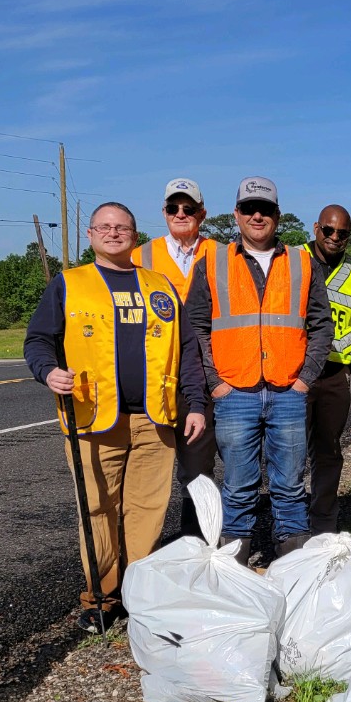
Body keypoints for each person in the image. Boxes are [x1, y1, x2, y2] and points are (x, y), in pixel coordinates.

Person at [24, 202, 207, 632]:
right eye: (104, 227)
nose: (113, 233)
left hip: (155, 419)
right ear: (90, 235)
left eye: (122, 227)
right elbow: (38, 341)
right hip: (93, 419)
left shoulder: (159, 287)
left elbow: (186, 353)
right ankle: (100, 597)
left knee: (147, 510)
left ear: (135, 235)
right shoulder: (69, 284)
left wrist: (195, 403)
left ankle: (137, 593)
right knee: (98, 509)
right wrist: (48, 371)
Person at [184, 177, 332, 562]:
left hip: (288, 391)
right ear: (236, 215)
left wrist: (304, 380)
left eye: (265, 209)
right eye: (249, 208)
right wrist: (216, 382)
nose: (257, 215)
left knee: (290, 485)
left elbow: (321, 325)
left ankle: (293, 565)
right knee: (238, 485)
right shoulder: (213, 262)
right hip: (235, 392)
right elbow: (196, 326)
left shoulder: (303, 261)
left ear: (277, 215)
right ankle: (235, 567)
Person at [134, 178, 219, 537]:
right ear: (164, 213)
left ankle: (196, 543)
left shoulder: (222, 253)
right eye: (173, 208)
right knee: (146, 472)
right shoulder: (141, 256)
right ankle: (141, 553)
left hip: (202, 376)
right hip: (155, 376)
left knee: (197, 470)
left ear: (202, 213)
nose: (180, 214)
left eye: (188, 208)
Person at [301, 204, 351, 535]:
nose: (334, 237)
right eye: (328, 230)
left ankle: (323, 522)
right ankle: (290, 522)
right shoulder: (292, 260)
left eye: (342, 233)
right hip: (294, 373)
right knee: (288, 451)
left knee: (328, 451)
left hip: (333, 375)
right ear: (316, 228)